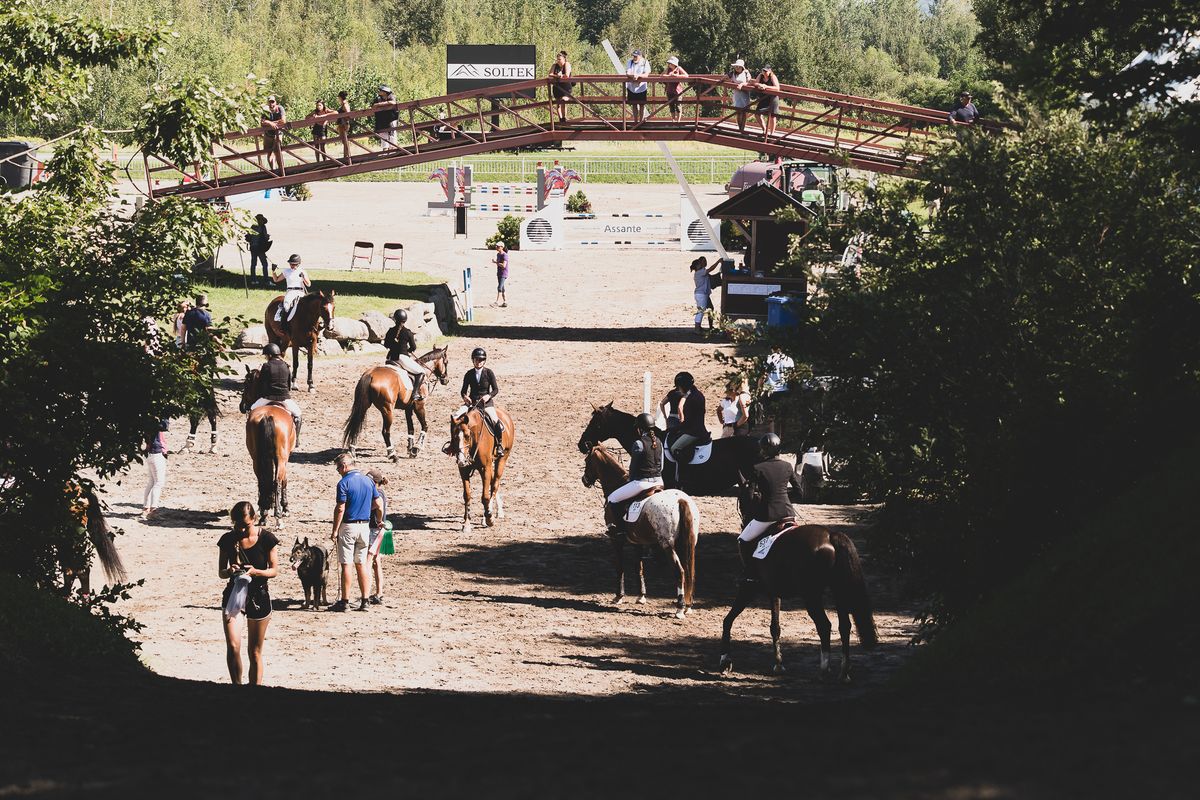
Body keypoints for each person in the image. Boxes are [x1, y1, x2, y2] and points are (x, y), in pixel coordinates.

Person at [218, 500, 279, 684]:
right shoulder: (227, 539)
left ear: (254, 518)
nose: (241, 530)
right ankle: (237, 688)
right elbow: (221, 572)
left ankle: (255, 693)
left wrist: (256, 572)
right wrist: (229, 571)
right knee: (233, 645)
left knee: (254, 652)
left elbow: (274, 570)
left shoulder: (267, 538)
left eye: (245, 525)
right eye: (236, 525)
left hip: (258, 596)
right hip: (234, 595)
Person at [736, 433, 797, 583]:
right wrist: (785, 499)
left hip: (767, 516)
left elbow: (750, 496)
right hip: (789, 513)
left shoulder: (758, 468)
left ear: (763, 450)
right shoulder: (788, 466)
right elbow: (799, 492)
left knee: (742, 540)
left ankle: (750, 573)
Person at [329, 453, 383, 612]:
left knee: (346, 564)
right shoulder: (368, 481)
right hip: (365, 527)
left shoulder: (343, 483)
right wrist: (378, 520)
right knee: (361, 564)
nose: (338, 471)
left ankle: (344, 601)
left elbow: (340, 508)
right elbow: (378, 504)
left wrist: (334, 530)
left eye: (338, 468)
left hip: (349, 526)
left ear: (344, 466)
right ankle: (365, 600)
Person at [605, 412, 663, 530]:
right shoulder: (660, 443)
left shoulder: (639, 444)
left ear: (639, 429)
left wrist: (630, 479)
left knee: (612, 498)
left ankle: (619, 530)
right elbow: (661, 466)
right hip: (659, 482)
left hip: (642, 483)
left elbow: (634, 467)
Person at [455, 347, 505, 458]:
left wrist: (489, 396)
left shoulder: (489, 373)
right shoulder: (468, 374)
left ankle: (499, 444)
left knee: (495, 420)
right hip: (472, 404)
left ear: (484, 361)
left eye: (481, 360)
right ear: (473, 360)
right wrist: (465, 397)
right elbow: (463, 390)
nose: (479, 362)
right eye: (477, 359)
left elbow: (496, 389)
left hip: (486, 404)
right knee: (456, 417)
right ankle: (453, 445)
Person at [249, 344, 303, 440]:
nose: (266, 358)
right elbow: (289, 385)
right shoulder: (286, 366)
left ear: (270, 355)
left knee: (252, 409)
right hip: (284, 398)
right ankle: (297, 439)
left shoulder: (266, 366)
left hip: (267, 397)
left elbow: (261, 384)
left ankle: (251, 436)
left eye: (266, 356)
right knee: (298, 414)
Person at [383, 308, 432, 399]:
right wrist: (408, 350)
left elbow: (386, 345)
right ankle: (415, 393)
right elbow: (413, 347)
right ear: (405, 320)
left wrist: (394, 345)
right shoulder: (408, 332)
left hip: (390, 358)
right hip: (402, 358)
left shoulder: (390, 331)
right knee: (421, 372)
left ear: (395, 319)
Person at [668, 371, 708, 462]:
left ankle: (684, 473)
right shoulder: (695, 394)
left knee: (675, 448)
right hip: (692, 428)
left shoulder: (693, 398)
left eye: (679, 387)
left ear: (683, 386)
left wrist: (674, 429)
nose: (678, 389)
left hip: (695, 432)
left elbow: (689, 421)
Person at [365, 468, 389, 605]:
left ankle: (366, 594)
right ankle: (379, 592)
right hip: (379, 531)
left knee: (368, 562)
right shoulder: (382, 493)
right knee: (376, 562)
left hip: (373, 529)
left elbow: (375, 508)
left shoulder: (377, 495)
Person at [270, 253, 310, 332]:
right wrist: (273, 271)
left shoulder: (302, 271)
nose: (292, 266)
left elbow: (308, 284)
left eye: (294, 264)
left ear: (298, 264)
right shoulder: (286, 271)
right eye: (291, 264)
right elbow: (276, 280)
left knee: (308, 306)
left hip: (300, 291)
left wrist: (303, 277)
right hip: (290, 291)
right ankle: (284, 326)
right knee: (286, 306)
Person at [761, 344, 794, 434]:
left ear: (773, 349)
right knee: (783, 416)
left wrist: (760, 388)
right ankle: (782, 437)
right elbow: (791, 376)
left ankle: (771, 438)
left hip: (771, 389)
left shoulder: (769, 359)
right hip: (784, 389)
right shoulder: (789, 360)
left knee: (770, 416)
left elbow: (764, 375)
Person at [142, 418, 169, 519]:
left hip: (149, 452)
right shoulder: (156, 421)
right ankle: (153, 509)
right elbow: (165, 426)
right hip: (156, 452)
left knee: (151, 482)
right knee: (158, 482)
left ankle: (146, 508)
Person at [690, 256, 720, 331]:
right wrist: (718, 261)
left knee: (707, 309)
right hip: (701, 294)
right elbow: (711, 269)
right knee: (701, 311)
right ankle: (697, 328)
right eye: (701, 263)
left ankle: (701, 327)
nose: (703, 263)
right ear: (697, 266)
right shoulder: (700, 272)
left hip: (703, 294)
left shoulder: (702, 271)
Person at [753, 64, 781, 140]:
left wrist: (766, 86)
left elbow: (777, 88)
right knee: (757, 113)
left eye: (766, 71)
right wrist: (759, 85)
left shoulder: (773, 77)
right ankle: (764, 130)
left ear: (770, 71)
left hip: (773, 98)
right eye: (763, 70)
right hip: (764, 98)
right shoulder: (760, 75)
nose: (764, 72)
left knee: (772, 116)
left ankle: (772, 134)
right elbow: (755, 83)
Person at [261, 95, 286, 175]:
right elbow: (262, 122)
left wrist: (269, 123)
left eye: (273, 102)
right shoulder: (265, 110)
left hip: (278, 133)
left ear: (276, 102)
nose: (271, 104)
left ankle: (281, 171)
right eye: (270, 102)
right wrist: (270, 123)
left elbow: (283, 121)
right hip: (268, 134)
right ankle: (273, 172)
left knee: (277, 151)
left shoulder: (280, 108)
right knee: (269, 152)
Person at [625, 49, 650, 124]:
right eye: (633, 56)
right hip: (631, 87)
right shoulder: (630, 62)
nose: (634, 57)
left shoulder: (645, 62)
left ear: (640, 56)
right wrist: (633, 76)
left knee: (642, 104)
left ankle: (641, 121)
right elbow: (627, 73)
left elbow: (646, 74)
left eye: (636, 56)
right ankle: (635, 121)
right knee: (634, 104)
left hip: (641, 87)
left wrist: (638, 76)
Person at [728, 59, 752, 133]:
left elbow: (749, 82)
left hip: (745, 94)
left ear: (742, 67)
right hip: (737, 94)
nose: (737, 68)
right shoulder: (732, 73)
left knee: (744, 112)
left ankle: (742, 129)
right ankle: (739, 128)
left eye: (739, 67)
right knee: (738, 112)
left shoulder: (746, 73)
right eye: (736, 66)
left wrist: (742, 84)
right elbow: (724, 78)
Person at [549, 51, 573, 123]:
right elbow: (550, 74)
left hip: (566, 87)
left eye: (560, 59)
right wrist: (557, 76)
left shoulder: (567, 64)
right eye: (557, 59)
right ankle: (561, 119)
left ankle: (564, 118)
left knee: (564, 101)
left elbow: (567, 75)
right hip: (557, 87)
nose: (558, 61)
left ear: (564, 59)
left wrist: (560, 75)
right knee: (558, 103)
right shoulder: (554, 65)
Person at [663, 56, 689, 122]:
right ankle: (673, 119)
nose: (669, 65)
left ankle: (678, 120)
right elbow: (661, 75)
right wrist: (669, 76)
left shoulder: (678, 68)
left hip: (678, 90)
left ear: (674, 64)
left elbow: (686, 75)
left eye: (670, 63)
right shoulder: (668, 69)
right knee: (671, 105)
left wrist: (677, 76)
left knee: (678, 105)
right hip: (669, 89)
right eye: (669, 63)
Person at [246, 214, 270, 283]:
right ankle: (266, 280)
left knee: (253, 264)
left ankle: (253, 280)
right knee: (264, 264)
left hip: (253, 247)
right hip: (259, 247)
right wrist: (267, 237)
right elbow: (265, 237)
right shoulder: (263, 227)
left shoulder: (253, 226)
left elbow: (249, 236)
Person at [374, 86, 399, 150]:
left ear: (385, 92)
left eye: (381, 90)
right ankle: (385, 148)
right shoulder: (378, 98)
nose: (379, 91)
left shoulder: (391, 96)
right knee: (383, 132)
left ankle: (393, 147)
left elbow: (393, 102)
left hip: (391, 117)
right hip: (381, 118)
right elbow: (373, 106)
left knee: (392, 131)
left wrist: (380, 104)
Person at [336, 91, 352, 162]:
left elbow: (348, 114)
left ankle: (348, 157)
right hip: (341, 124)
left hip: (343, 124)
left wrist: (346, 122)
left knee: (345, 141)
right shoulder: (343, 104)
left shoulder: (345, 104)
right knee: (344, 141)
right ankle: (346, 156)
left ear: (340, 97)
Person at [493, 242, 509, 307]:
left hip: (503, 273)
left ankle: (496, 302)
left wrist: (496, 262)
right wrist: (496, 262)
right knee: (502, 288)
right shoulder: (498, 254)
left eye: (498, 246)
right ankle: (505, 302)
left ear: (502, 247)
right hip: (499, 273)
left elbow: (504, 265)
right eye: (496, 246)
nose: (496, 247)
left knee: (499, 287)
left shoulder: (505, 255)